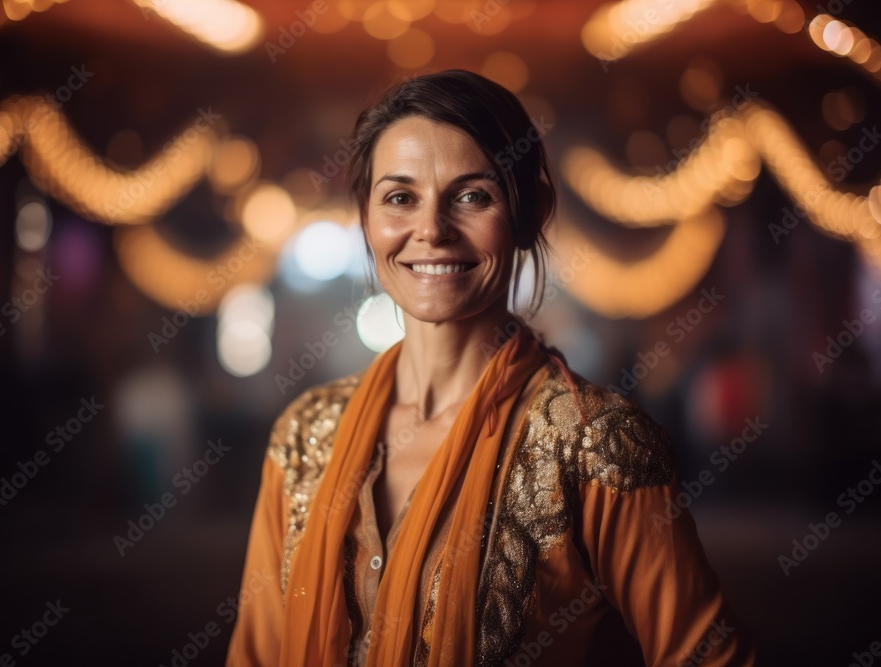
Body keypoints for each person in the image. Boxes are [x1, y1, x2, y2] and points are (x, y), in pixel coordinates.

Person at [225, 70, 756, 666]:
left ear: (532, 212)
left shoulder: (595, 445)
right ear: (367, 219)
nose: (431, 229)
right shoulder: (304, 438)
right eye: (400, 198)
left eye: (472, 195)